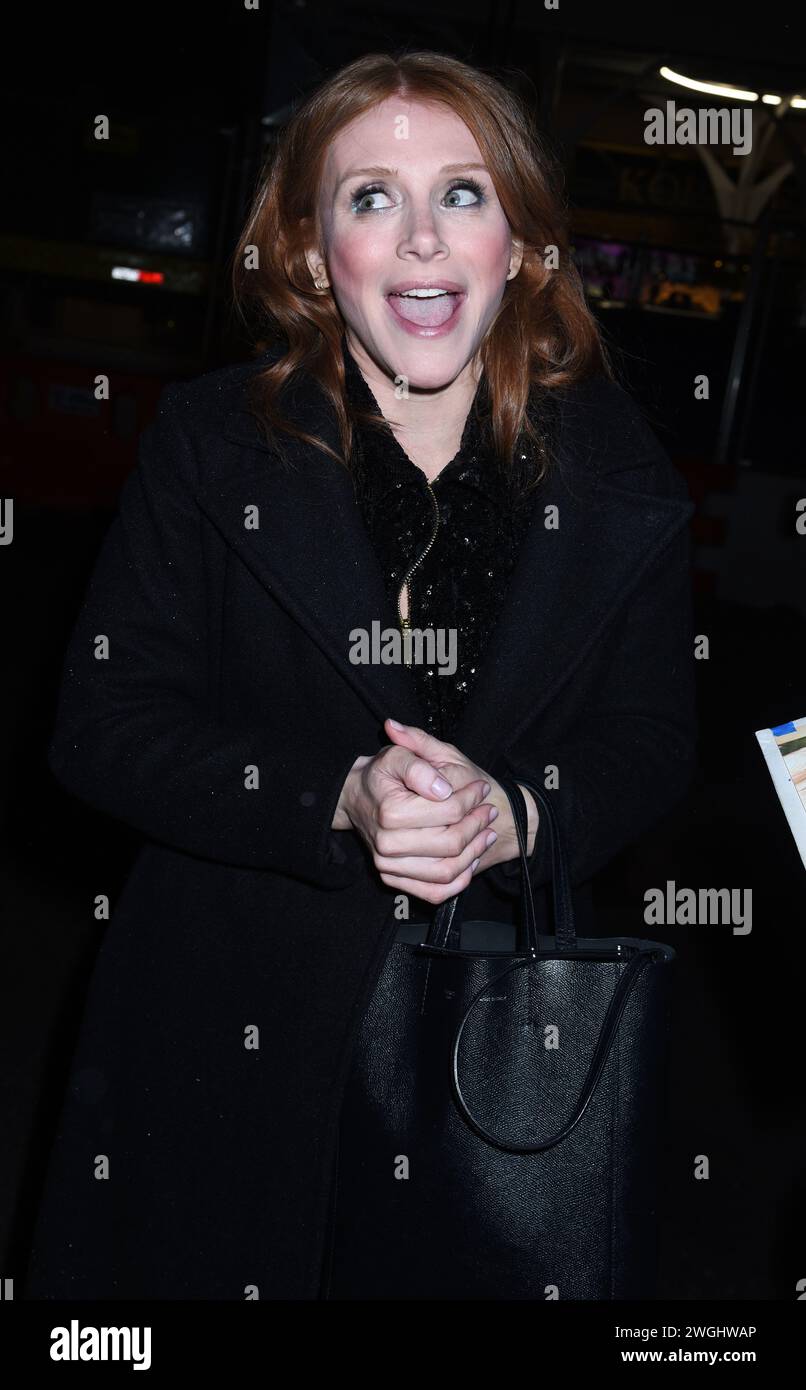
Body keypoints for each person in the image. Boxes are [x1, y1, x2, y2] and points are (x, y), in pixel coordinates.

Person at [24, 49, 696, 1301]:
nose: (424, 240)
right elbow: (100, 723)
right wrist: (333, 796)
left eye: (463, 193)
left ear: (521, 244)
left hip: (500, 1044)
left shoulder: (618, 476)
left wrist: (524, 811)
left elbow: (654, 735)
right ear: (306, 249)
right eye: (371, 197)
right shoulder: (212, 445)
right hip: (226, 1024)